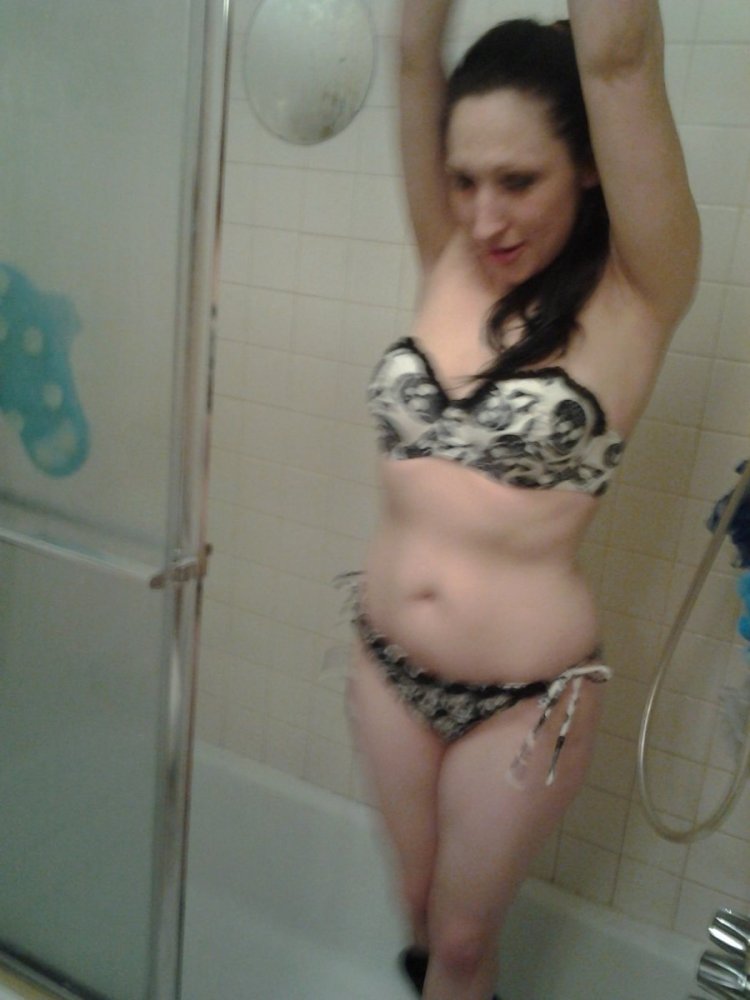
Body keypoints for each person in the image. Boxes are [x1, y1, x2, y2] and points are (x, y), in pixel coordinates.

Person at [343, 2, 700, 999]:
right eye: (463, 181)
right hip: (384, 665)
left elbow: (621, 60)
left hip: (524, 702)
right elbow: (413, 52)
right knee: (419, 912)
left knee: (462, 945)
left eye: (517, 181)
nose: (484, 218)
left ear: (585, 165)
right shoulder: (450, 256)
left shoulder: (637, 296)